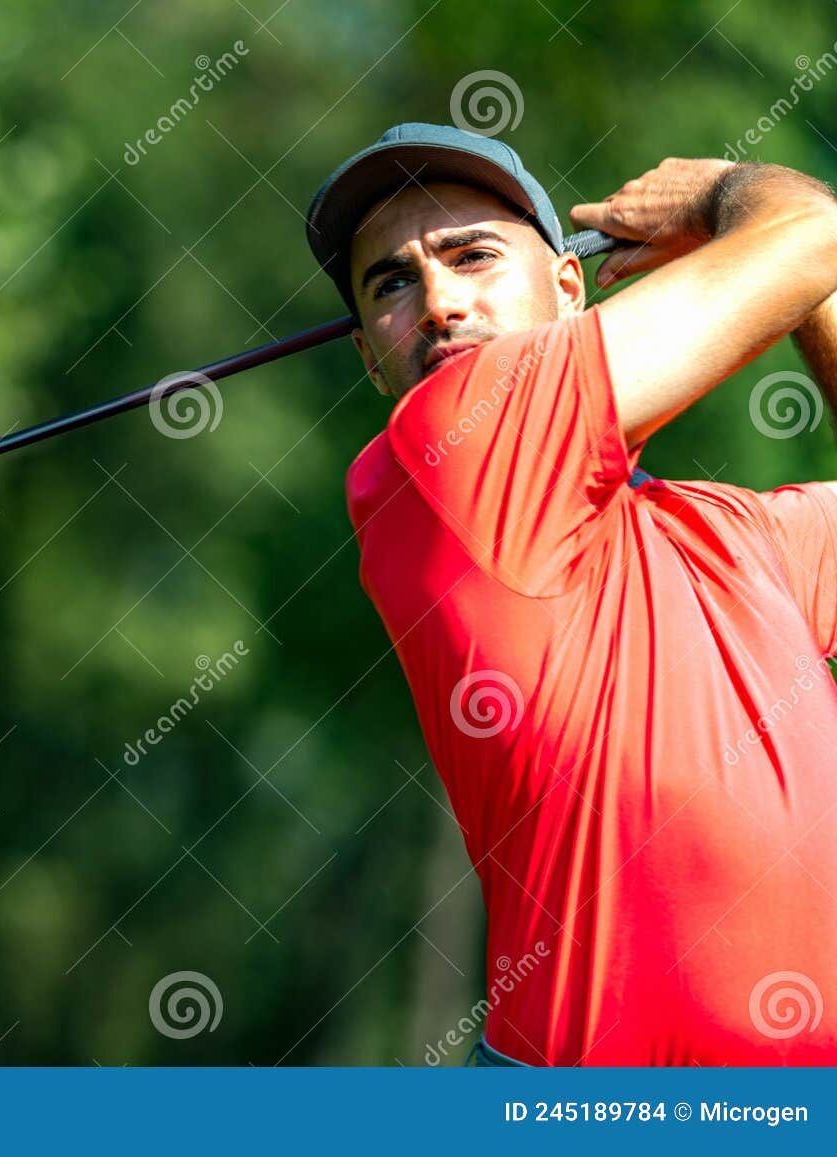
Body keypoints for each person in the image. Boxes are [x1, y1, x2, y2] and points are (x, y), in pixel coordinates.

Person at [306, 123, 837, 1065]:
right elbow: (813, 231)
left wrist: (812, 303)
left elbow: (815, 248)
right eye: (391, 284)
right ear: (368, 356)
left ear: (569, 286)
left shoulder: (733, 530)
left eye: (472, 256)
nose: (439, 304)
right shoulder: (443, 448)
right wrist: (721, 194)